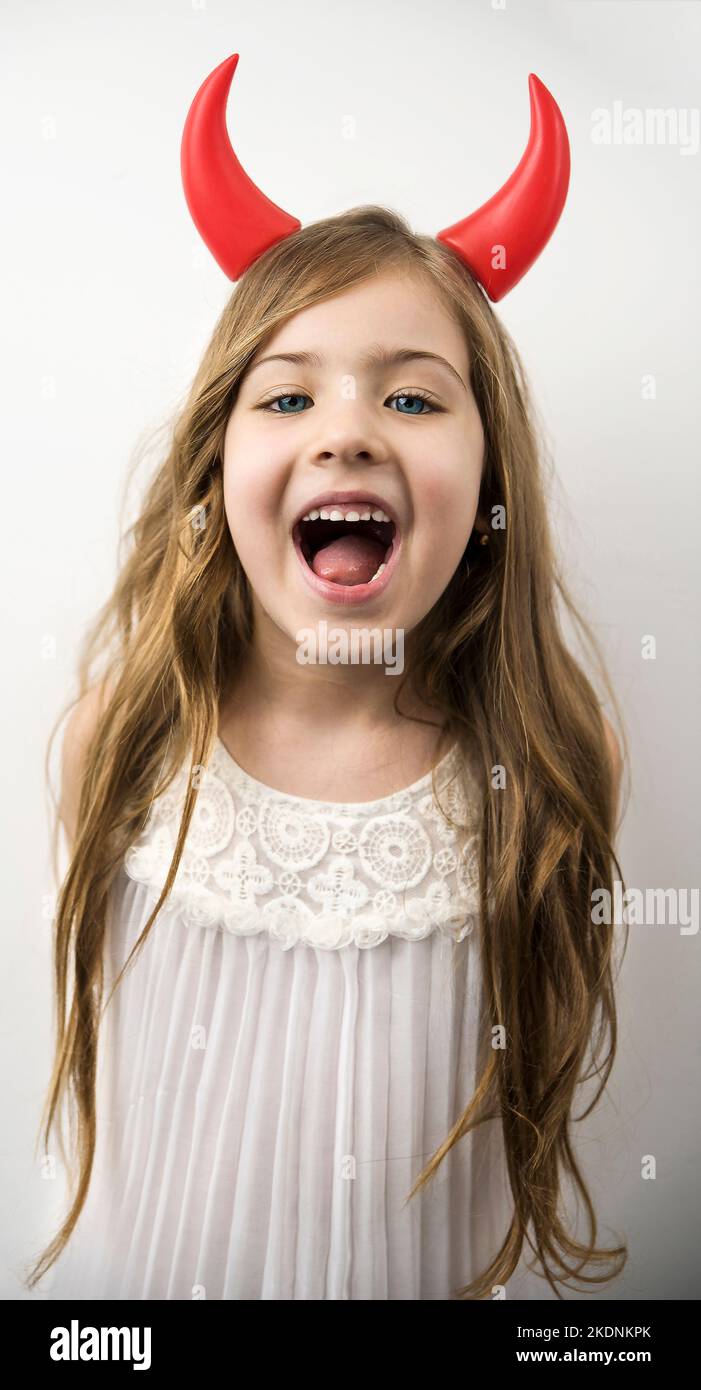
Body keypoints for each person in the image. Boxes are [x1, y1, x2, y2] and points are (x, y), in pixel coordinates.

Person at [25, 56, 627, 1301]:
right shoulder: (122, 742)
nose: (346, 428)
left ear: (489, 479)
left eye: (411, 394)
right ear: (216, 466)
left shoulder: (553, 767)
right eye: (287, 393)